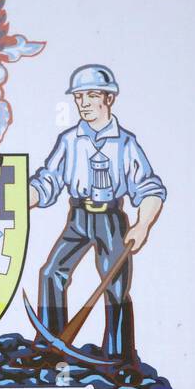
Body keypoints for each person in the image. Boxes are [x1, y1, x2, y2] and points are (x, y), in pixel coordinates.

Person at [28, 64, 166, 366]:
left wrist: (143, 224)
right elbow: (48, 180)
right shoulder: (69, 140)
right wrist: (23, 198)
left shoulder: (126, 143)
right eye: (79, 97)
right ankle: (49, 346)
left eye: (92, 95)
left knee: (116, 284)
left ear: (109, 99)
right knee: (51, 273)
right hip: (78, 219)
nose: (85, 104)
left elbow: (149, 187)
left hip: (111, 221)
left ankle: (119, 357)